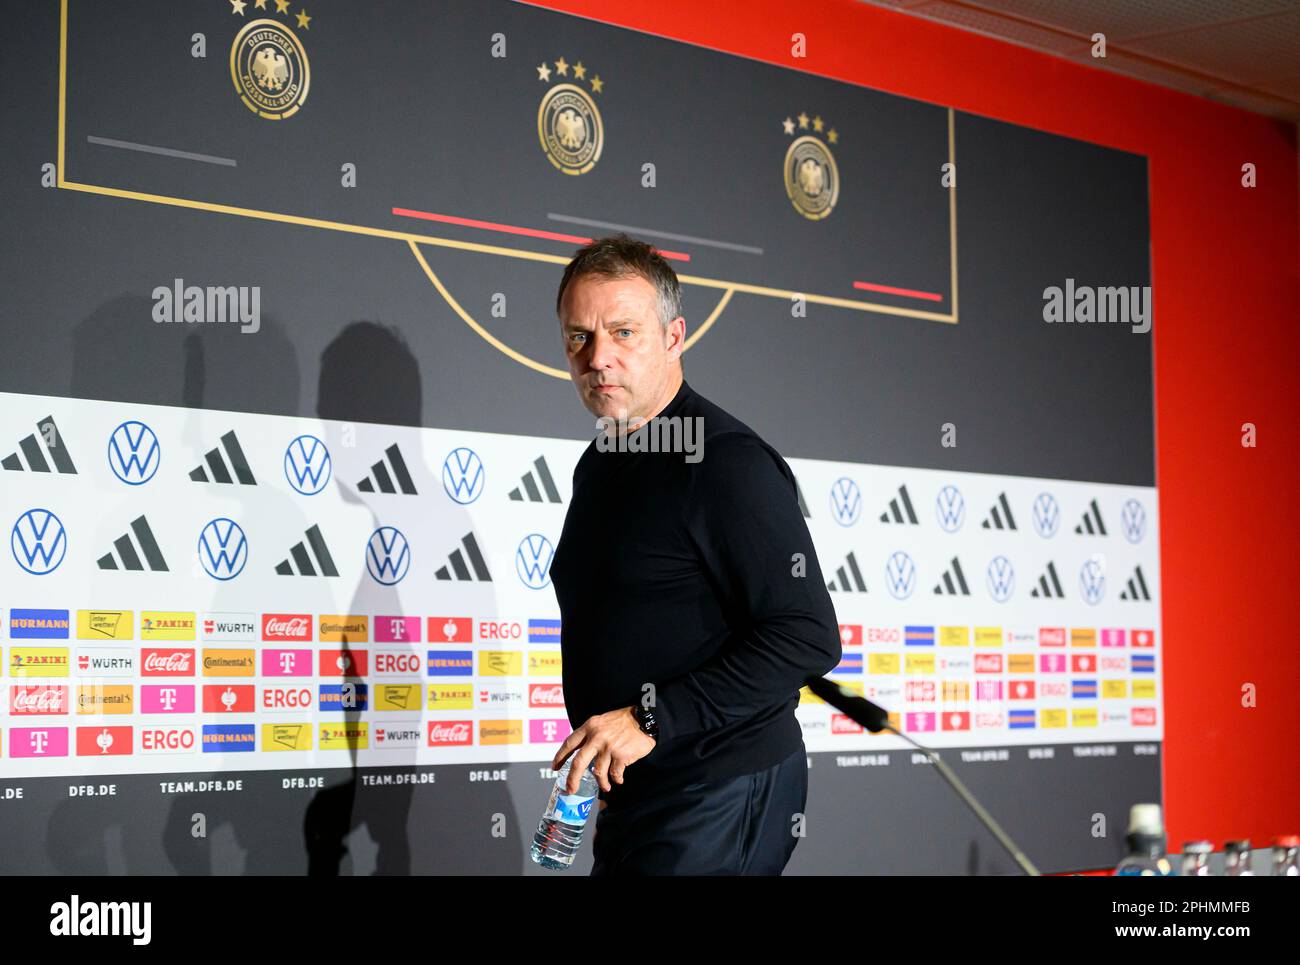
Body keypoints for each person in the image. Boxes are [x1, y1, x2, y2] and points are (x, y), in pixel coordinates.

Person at [547, 233, 842, 875]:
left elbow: (806, 635)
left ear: (675, 337)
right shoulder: (601, 462)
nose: (598, 357)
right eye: (579, 337)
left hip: (718, 788)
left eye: (623, 332)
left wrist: (648, 717)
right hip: (643, 789)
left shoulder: (725, 464)